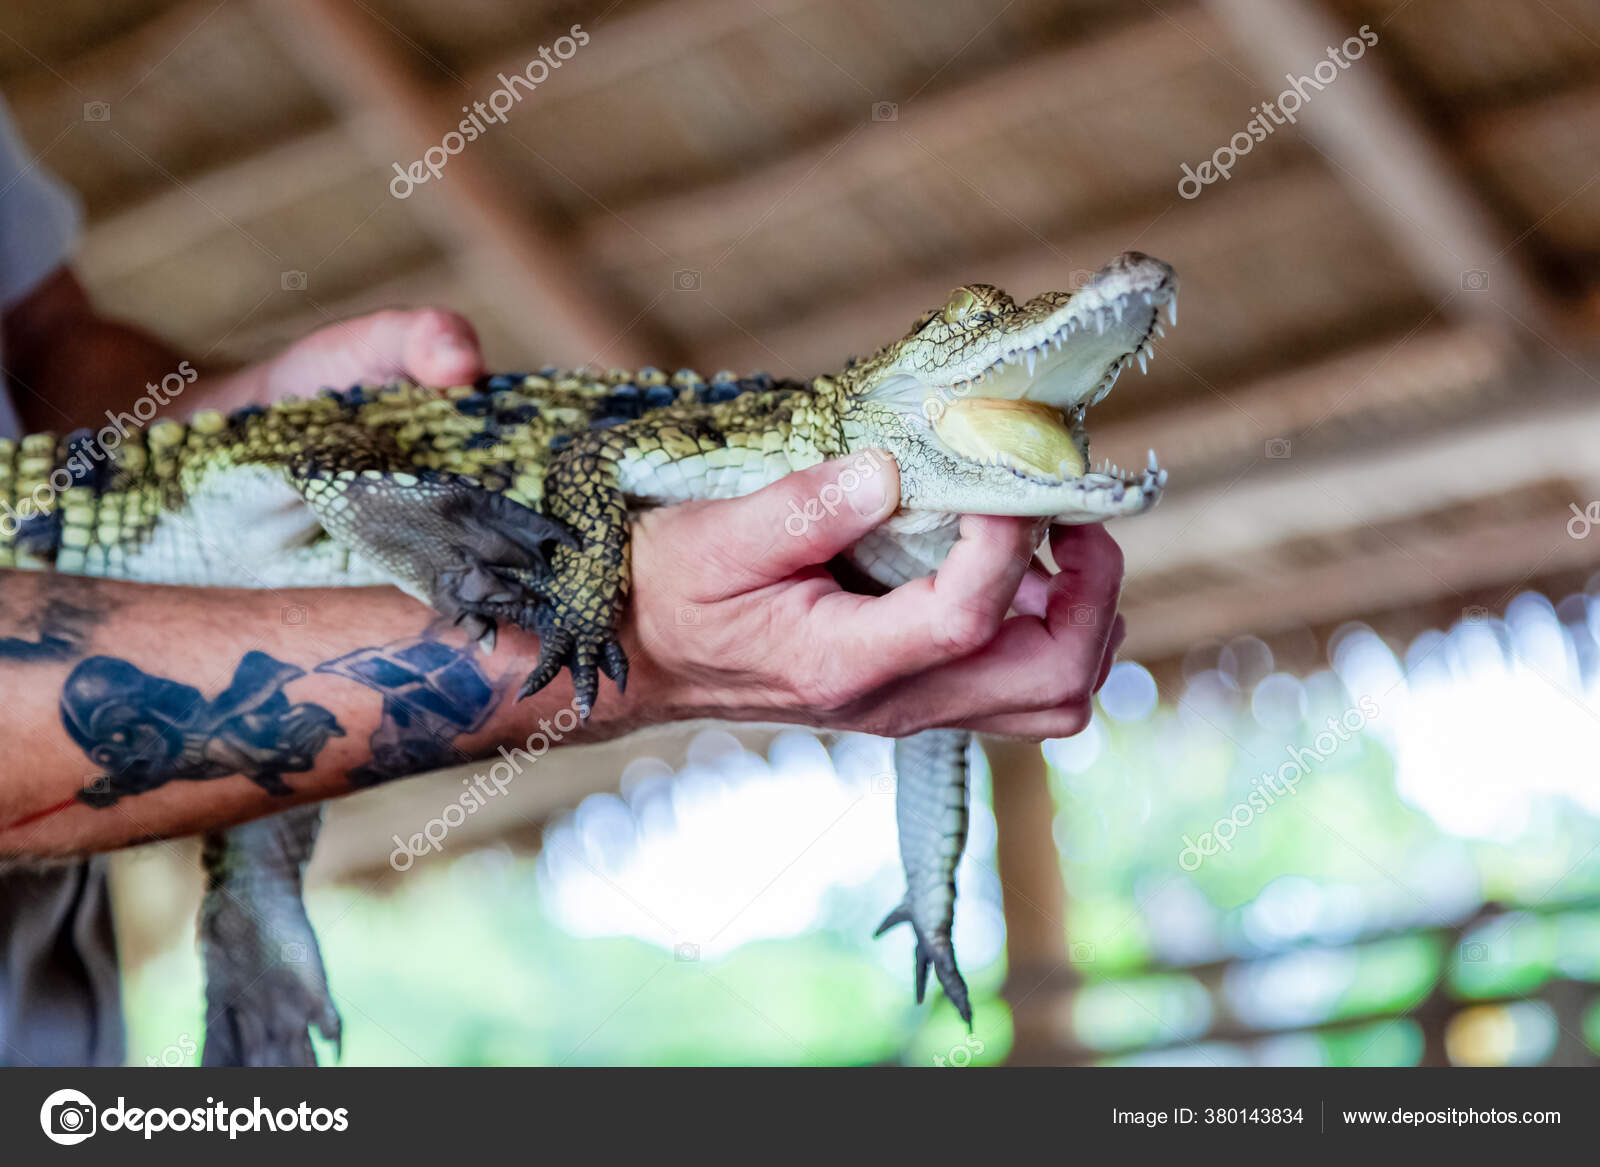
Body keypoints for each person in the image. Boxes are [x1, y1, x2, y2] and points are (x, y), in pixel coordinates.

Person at [0, 97, 1125, 1065]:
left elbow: (49, 334)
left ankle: (252, 891)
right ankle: (253, 894)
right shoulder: (783, 437)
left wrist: (229, 414)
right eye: (978, 321)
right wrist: (645, 647)